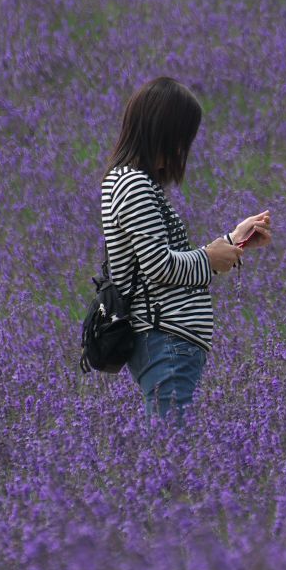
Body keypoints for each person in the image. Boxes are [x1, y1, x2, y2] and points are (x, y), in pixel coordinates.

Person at [101, 76, 271, 426]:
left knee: (172, 445)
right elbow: (159, 267)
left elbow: (162, 256)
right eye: (181, 140)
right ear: (159, 134)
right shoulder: (133, 185)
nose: (183, 151)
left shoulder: (129, 182)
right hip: (165, 338)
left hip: (169, 340)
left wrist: (232, 239)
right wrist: (211, 259)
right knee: (172, 449)